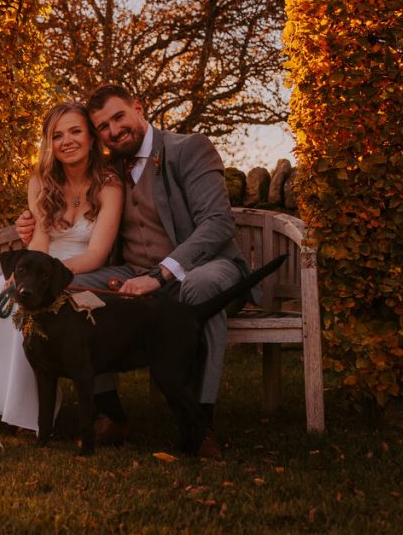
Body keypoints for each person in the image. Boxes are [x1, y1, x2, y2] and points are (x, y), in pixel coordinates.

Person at [17, 85, 251, 457]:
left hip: (207, 267)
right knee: (70, 286)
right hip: (132, 270)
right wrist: (29, 224)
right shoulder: (111, 169)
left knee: (199, 289)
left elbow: (218, 224)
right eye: (103, 126)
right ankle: (111, 411)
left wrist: (161, 275)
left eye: (118, 117)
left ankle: (201, 422)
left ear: (138, 108)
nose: (113, 130)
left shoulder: (188, 148)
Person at [0, 101, 121, 434]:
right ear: (49, 143)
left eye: (75, 131)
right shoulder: (41, 180)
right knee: (3, 289)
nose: (66, 141)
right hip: (39, 266)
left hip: (79, 269)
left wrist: (50, 278)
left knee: (36, 299)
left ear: (90, 137)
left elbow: (98, 252)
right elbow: (39, 242)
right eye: (57, 135)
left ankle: (27, 416)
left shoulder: (109, 184)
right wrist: (24, 275)